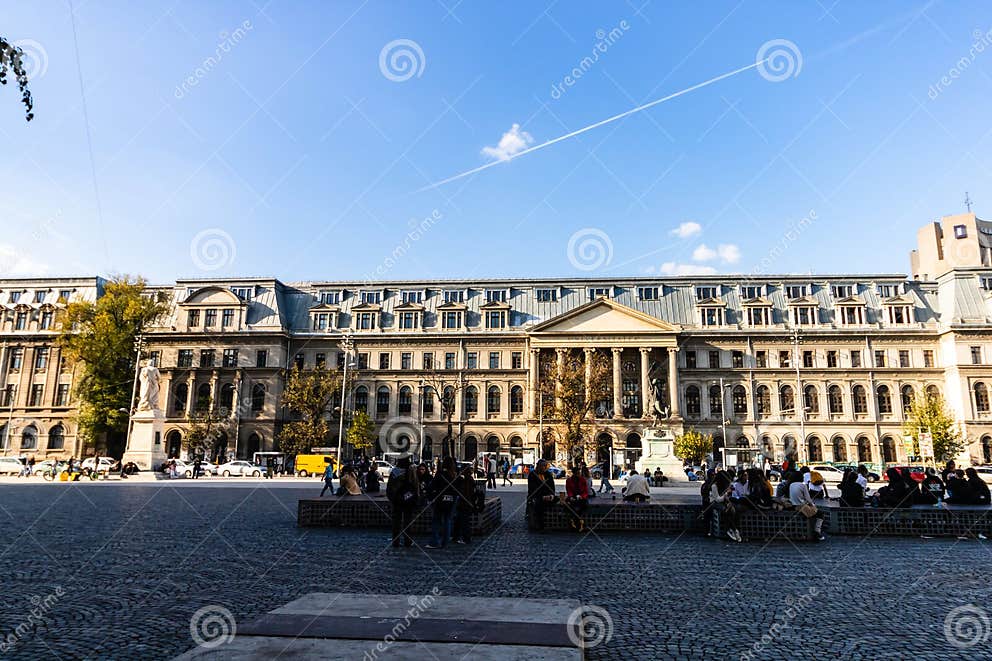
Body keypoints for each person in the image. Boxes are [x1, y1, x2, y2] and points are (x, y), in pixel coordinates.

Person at [387, 457, 420, 548]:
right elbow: (415, 485)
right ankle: (407, 541)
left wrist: (392, 498)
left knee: (396, 522)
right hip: (408, 499)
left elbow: (389, 486)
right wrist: (416, 497)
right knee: (408, 521)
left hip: (397, 500)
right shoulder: (411, 470)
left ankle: (395, 541)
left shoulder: (394, 471)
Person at [426, 457, 458, 548]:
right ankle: (445, 542)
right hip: (452, 500)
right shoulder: (454, 475)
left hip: (440, 500)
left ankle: (435, 542)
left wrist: (431, 496)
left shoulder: (440, 474)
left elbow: (432, 486)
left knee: (437, 521)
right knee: (447, 520)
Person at [788, 471, 826, 541]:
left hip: (794, 506)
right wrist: (813, 505)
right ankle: (817, 532)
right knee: (820, 514)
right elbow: (808, 499)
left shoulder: (791, 485)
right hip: (802, 507)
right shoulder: (803, 485)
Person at [710, 470, 742, 542]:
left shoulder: (727, 485)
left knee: (733, 509)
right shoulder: (714, 486)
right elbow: (717, 499)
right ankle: (734, 529)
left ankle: (730, 529)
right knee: (726, 510)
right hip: (715, 503)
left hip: (725, 502)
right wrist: (726, 495)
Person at [527, 459, 557, 531]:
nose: (544, 468)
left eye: (545, 466)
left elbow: (552, 487)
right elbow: (532, 489)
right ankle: (540, 525)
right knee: (539, 504)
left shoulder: (548, 475)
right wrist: (542, 496)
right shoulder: (532, 475)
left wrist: (551, 495)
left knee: (559, 500)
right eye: (543, 466)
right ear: (539, 467)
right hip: (536, 496)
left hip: (548, 496)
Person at [453, 464, 478, 544]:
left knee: (464, 521)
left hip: (464, 503)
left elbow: (464, 492)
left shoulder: (465, 480)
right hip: (466, 503)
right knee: (459, 520)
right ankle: (456, 536)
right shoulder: (469, 479)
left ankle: (466, 538)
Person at [564, 465, 590, 531]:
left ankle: (575, 521)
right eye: (577, 473)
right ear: (574, 473)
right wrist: (571, 496)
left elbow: (585, 491)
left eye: (579, 473)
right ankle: (579, 522)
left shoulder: (583, 480)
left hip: (581, 497)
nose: (579, 474)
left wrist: (582, 496)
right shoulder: (569, 480)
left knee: (584, 504)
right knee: (568, 505)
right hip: (573, 496)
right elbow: (568, 490)